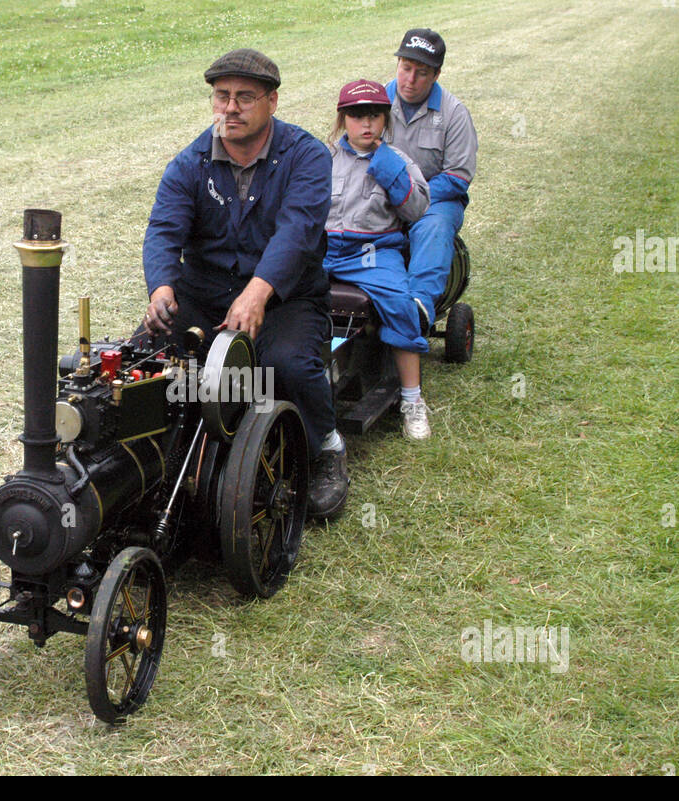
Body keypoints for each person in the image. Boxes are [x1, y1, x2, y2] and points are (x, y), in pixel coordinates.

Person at [142, 49, 349, 519]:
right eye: (221, 97)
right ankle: (148, 463)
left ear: (272, 102)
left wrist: (259, 291)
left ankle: (325, 450)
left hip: (287, 300)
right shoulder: (189, 163)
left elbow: (297, 232)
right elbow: (163, 231)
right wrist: (161, 289)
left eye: (244, 97)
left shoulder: (307, 156)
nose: (230, 108)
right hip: (204, 298)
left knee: (285, 366)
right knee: (148, 362)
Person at [323, 80, 433, 439]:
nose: (366, 124)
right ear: (343, 120)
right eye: (356, 116)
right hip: (324, 251)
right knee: (276, 294)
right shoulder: (322, 157)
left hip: (373, 253)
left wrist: (389, 172)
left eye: (374, 116)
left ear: (385, 120)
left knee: (400, 305)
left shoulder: (397, 161)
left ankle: (412, 400)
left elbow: (417, 210)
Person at [383, 28, 478, 336]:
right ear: (397, 64)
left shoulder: (454, 113)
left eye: (421, 73)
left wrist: (409, 198)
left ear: (436, 74)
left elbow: (457, 177)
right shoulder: (374, 105)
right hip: (381, 195)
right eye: (405, 68)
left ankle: (418, 309)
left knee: (433, 227)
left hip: (436, 200)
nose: (409, 80)